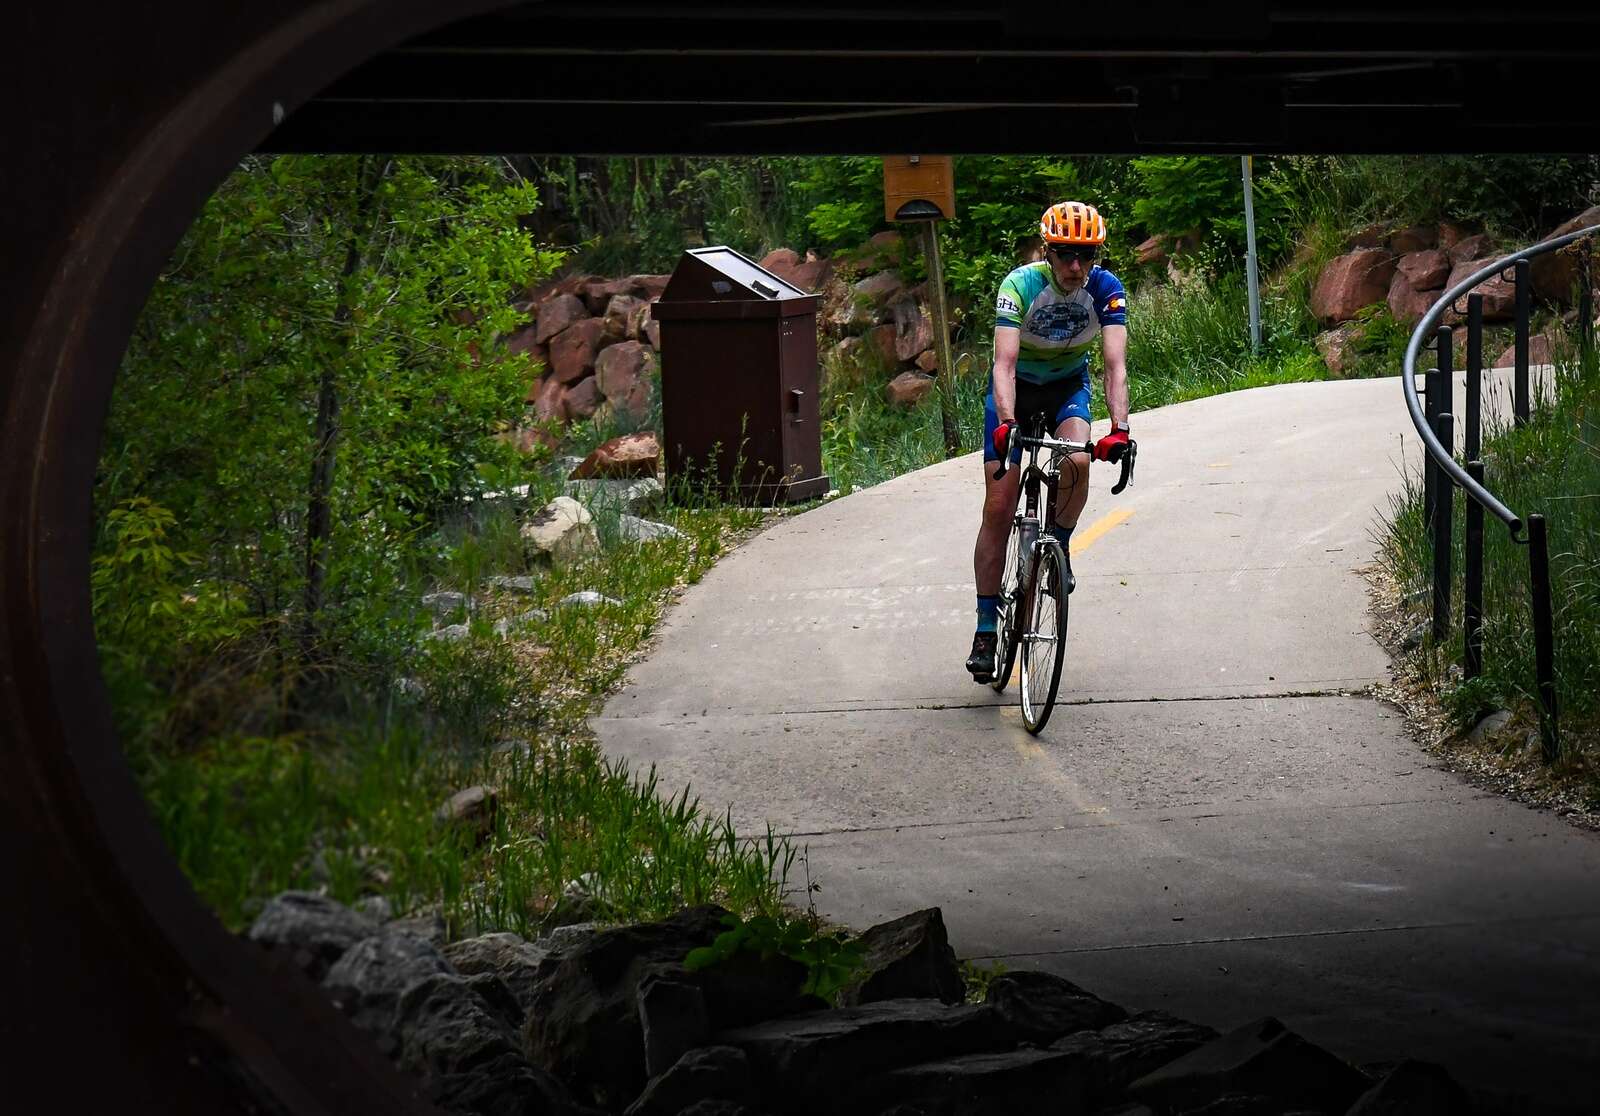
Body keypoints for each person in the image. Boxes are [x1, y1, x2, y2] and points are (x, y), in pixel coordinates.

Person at [966, 201, 1132, 681]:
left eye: (1086, 254)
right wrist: (1006, 420)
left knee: (1078, 459)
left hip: (1065, 389)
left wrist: (1119, 429)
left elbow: (1114, 366)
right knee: (999, 507)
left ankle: (1056, 551)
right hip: (1018, 392)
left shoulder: (1106, 290)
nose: (1075, 266)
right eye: (1064, 254)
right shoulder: (1019, 285)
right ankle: (984, 629)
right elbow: (1004, 365)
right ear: (1047, 251)